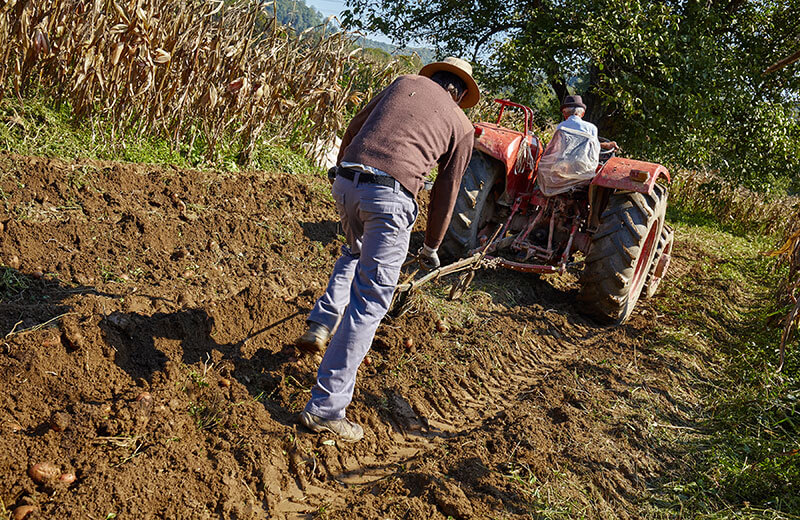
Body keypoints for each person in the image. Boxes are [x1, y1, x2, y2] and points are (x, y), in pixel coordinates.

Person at [295, 57, 480, 442]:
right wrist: (431, 245)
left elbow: (354, 127)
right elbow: (448, 189)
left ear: (435, 78)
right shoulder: (462, 125)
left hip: (346, 183)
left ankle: (322, 321)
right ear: (460, 93)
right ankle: (326, 409)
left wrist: (341, 168)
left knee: (353, 251)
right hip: (391, 197)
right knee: (370, 303)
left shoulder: (402, 83)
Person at [536, 95, 617, 196]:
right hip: (583, 173)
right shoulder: (591, 128)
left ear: (565, 113)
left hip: (562, 170)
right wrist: (608, 145)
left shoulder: (562, 127)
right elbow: (593, 148)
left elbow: (554, 149)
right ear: (582, 114)